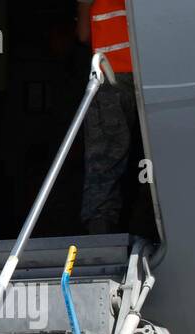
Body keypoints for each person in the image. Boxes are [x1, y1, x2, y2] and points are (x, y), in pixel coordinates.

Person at [77, 0, 142, 234]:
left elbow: (84, 34)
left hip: (111, 75)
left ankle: (100, 231)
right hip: (153, 73)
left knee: (104, 157)